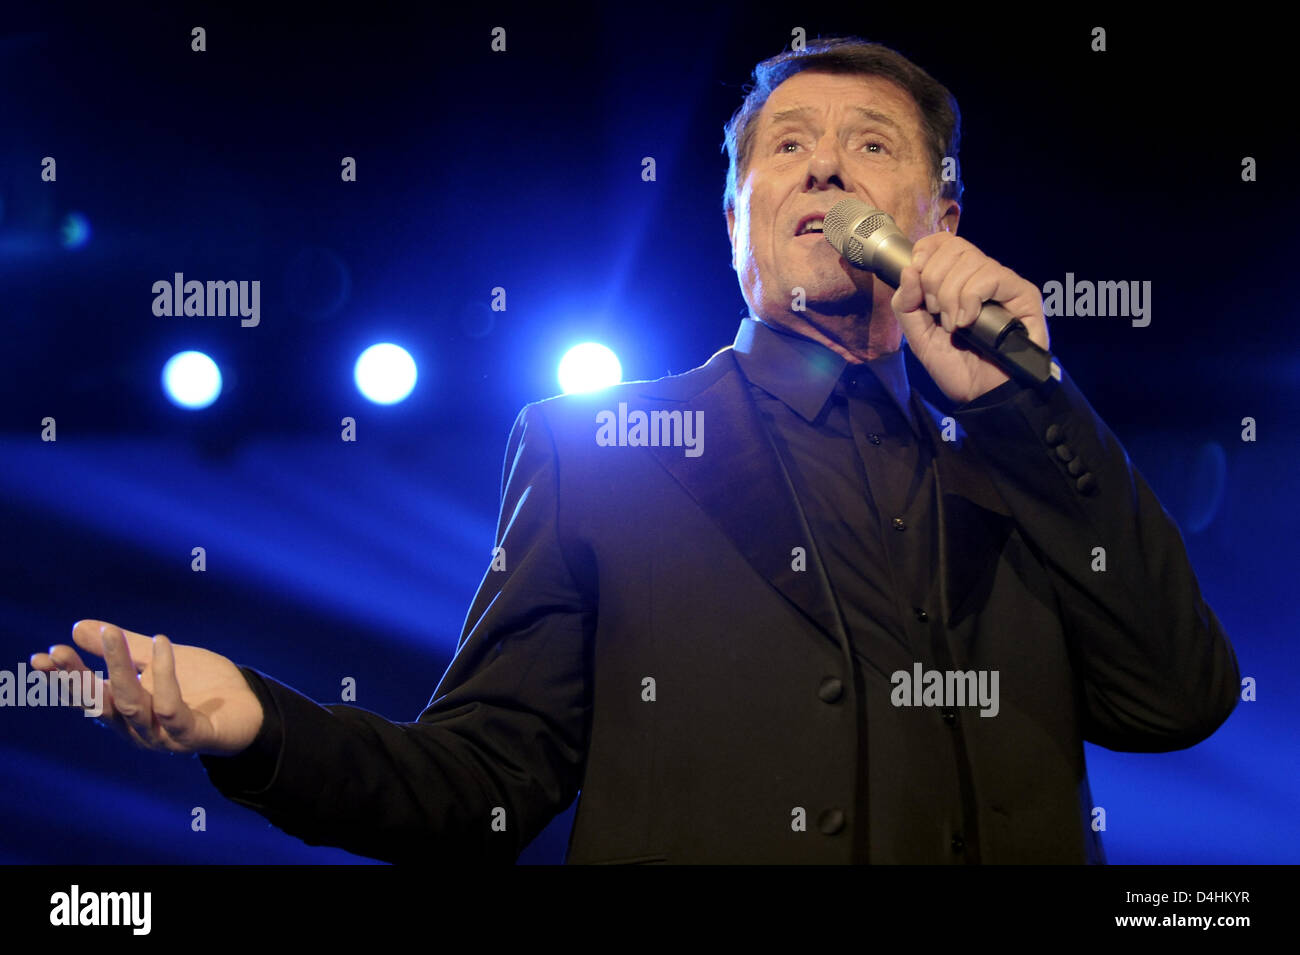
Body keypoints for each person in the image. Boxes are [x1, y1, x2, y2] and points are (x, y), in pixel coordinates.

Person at [31, 37, 1240, 864]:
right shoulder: (595, 451)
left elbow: (1177, 701)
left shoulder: (1027, 456)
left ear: (943, 218)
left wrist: (1032, 412)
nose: (824, 164)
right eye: (787, 145)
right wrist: (262, 723)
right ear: (735, 223)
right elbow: (481, 784)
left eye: (872, 145)